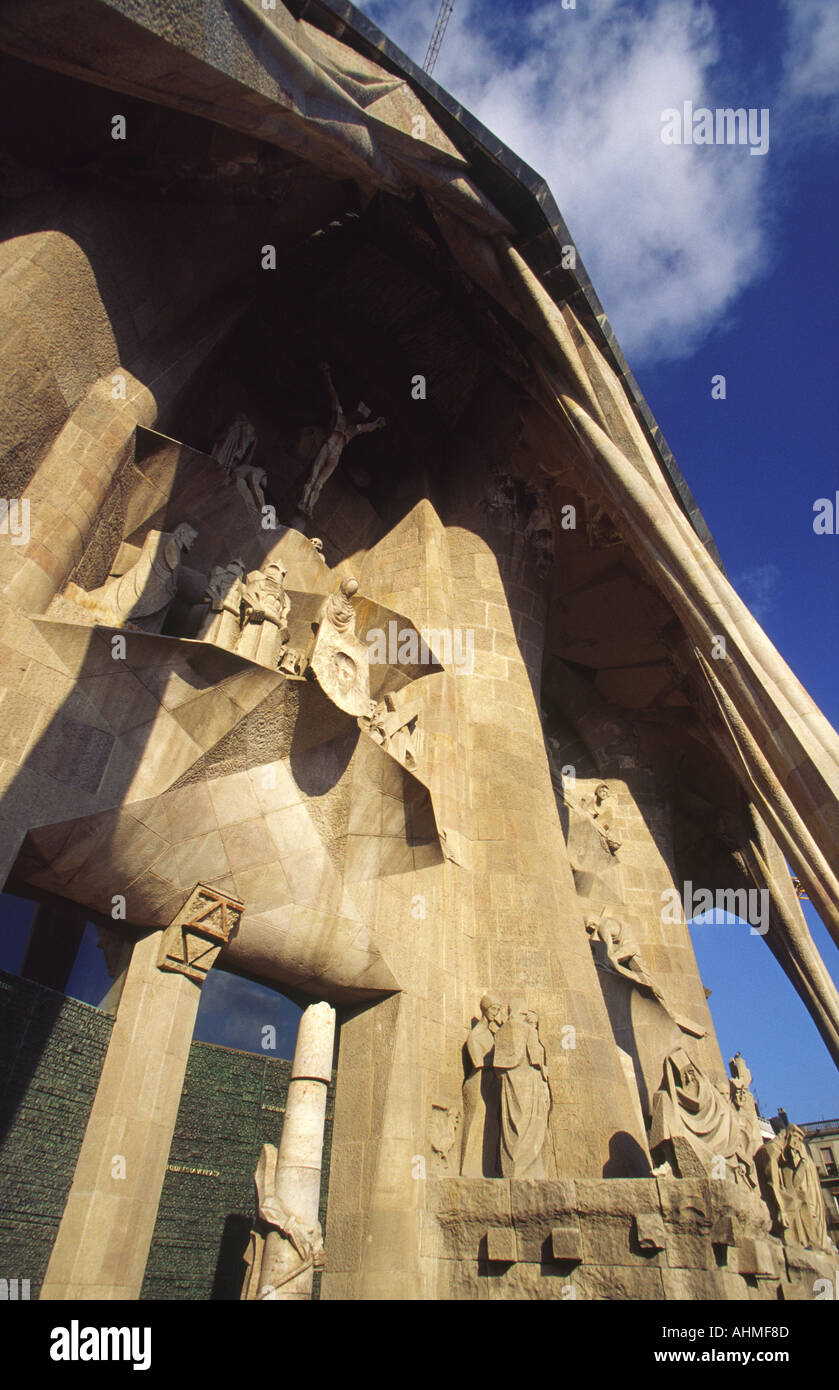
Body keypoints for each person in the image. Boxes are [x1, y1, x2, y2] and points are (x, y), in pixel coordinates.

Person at [298, 362, 385, 517]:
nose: (357, 418)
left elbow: (366, 427)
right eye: (357, 416)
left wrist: (376, 424)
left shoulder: (353, 429)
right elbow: (334, 396)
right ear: (353, 413)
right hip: (328, 446)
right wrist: (327, 375)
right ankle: (302, 501)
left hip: (335, 455)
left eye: (360, 417)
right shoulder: (340, 416)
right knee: (313, 477)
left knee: (319, 483)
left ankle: (309, 507)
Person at [493, 996, 550, 1178]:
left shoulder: (501, 1031)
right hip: (529, 1081)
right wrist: (543, 1069)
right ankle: (527, 1170)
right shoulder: (527, 1030)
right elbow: (535, 1057)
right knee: (530, 1126)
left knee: (511, 1125)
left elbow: (499, 1065)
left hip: (509, 1082)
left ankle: (510, 1168)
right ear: (522, 1011)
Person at [460, 993, 505, 1177]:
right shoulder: (475, 1036)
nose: (496, 1013)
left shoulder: (492, 1035)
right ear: (485, 1010)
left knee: (492, 1124)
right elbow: (479, 1062)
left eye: (498, 1009)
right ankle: (469, 1168)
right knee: (476, 1123)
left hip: (490, 1082)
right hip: (478, 1082)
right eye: (494, 1009)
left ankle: (489, 1167)